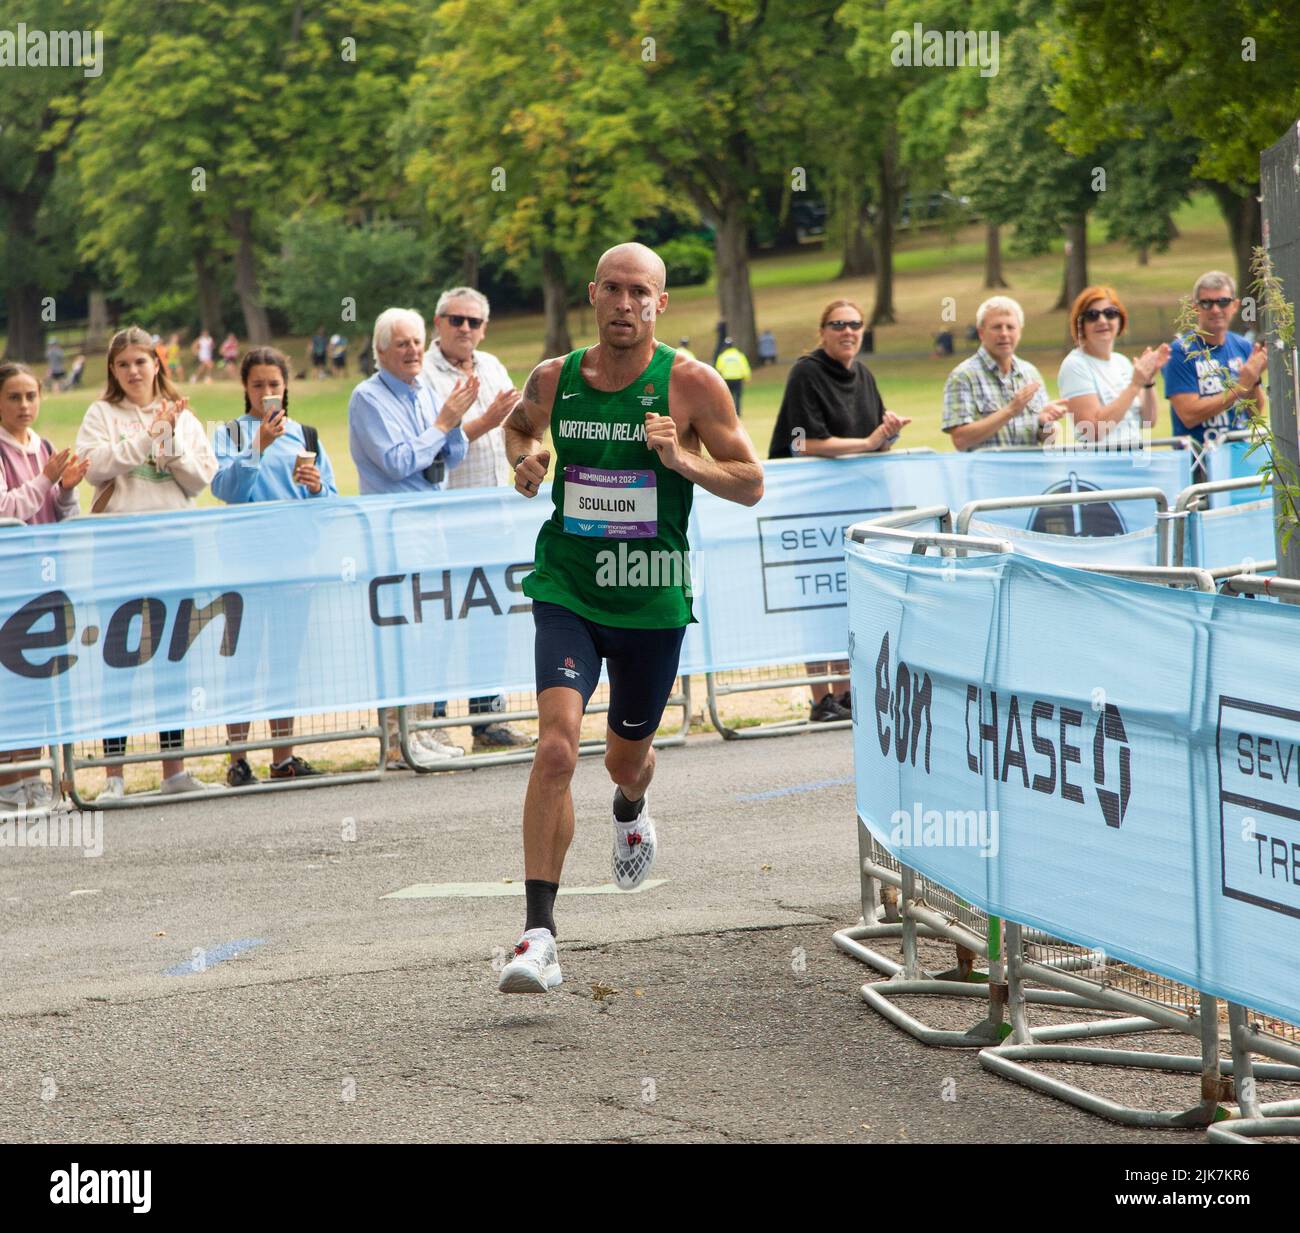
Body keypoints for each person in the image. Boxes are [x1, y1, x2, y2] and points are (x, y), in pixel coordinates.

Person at [496, 242, 763, 994]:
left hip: (650, 593)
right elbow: (518, 426)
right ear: (593, 294)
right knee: (554, 749)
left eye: (639, 292)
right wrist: (525, 457)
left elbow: (750, 482)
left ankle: (632, 803)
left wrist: (684, 464)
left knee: (622, 758)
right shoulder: (555, 377)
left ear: (660, 304)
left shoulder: (691, 382)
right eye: (612, 289)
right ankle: (538, 935)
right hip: (569, 586)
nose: (624, 304)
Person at [76, 326, 220, 798]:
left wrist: (168, 439)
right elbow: (93, 466)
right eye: (124, 364)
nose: (134, 371)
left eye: (142, 361)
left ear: (157, 363)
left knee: (171, 657)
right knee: (120, 658)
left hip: (174, 547)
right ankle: (113, 775)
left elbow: (199, 479)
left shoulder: (184, 415)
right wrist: (144, 441)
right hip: (119, 549)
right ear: (113, 371)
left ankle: (173, 769)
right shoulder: (102, 413)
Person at [768, 300, 912, 723]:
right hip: (811, 512)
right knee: (818, 599)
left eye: (855, 324)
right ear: (823, 330)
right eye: (838, 325)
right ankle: (821, 697)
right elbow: (801, 443)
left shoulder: (863, 375)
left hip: (855, 509)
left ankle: (848, 691)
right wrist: (868, 444)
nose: (848, 331)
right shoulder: (806, 372)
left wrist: (886, 436)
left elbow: (870, 438)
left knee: (850, 598)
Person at [348, 307, 474, 767]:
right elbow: (399, 461)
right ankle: (398, 738)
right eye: (402, 343)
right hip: (393, 536)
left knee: (434, 633)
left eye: (417, 341)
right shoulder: (367, 399)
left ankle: (424, 728)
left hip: (432, 527)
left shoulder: (427, 391)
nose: (413, 350)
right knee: (401, 636)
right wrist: (442, 425)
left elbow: (452, 457)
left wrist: (454, 422)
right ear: (381, 351)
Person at [213, 346, 338, 786]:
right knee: (242, 663)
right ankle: (237, 758)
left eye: (274, 384)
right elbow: (225, 489)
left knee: (286, 662)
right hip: (244, 569)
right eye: (258, 385)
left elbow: (330, 504)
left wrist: (319, 487)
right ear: (244, 388)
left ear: (286, 387)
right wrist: (257, 449)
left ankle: (283, 756)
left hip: (294, 567)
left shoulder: (307, 435)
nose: (267, 392)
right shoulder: (230, 433)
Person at [422, 286, 532, 752]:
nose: (464, 328)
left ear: (484, 329)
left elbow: (515, 422)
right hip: (446, 520)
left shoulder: (492, 366)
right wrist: (484, 421)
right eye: (455, 319)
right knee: (444, 620)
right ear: (438, 322)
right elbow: (431, 443)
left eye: (473, 322)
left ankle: (488, 718)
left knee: (491, 618)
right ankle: (435, 718)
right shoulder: (423, 373)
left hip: (494, 518)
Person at [0, 362, 88, 812]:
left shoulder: (45, 447)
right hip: (8, 582)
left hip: (44, 580)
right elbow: (6, 507)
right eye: (13, 397)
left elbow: (60, 514)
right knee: (9, 680)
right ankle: (7, 776)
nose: (24, 405)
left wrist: (67, 489)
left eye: (30, 396)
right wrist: (45, 479)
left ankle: (34, 775)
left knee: (39, 680)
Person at [1165, 270, 1268, 475]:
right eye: (1206, 303)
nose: (1215, 309)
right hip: (1198, 464)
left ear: (1235, 305)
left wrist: (1254, 380)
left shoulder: (1243, 346)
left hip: (1238, 457)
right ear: (1195, 308)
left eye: (1222, 302)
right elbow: (1189, 415)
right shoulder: (1181, 351)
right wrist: (1240, 387)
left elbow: (1255, 413)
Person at [942, 296, 1068, 450]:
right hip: (985, 473)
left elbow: (1045, 439)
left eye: (1010, 327)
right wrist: (1010, 410)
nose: (1004, 333)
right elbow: (961, 440)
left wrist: (1045, 423)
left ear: (1020, 332)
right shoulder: (963, 376)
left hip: (1029, 472)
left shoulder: (1030, 374)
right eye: (996, 327)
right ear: (981, 333)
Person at [1057, 286, 1169, 448]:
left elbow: (1148, 421)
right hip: (1103, 468)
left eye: (1110, 313)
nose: (1102, 321)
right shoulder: (1075, 365)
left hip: (1134, 461)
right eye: (1092, 316)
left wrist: (1148, 380)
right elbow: (1092, 431)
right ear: (1080, 325)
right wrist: (1134, 386)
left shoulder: (1121, 362)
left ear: (1120, 319)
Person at [714, 337, 752, 415]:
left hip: (727, 378)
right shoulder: (739, 355)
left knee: (727, 397)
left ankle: (729, 412)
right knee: (737, 396)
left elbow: (718, 369)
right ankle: (737, 413)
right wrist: (747, 377)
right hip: (737, 378)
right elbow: (744, 366)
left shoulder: (722, 356)